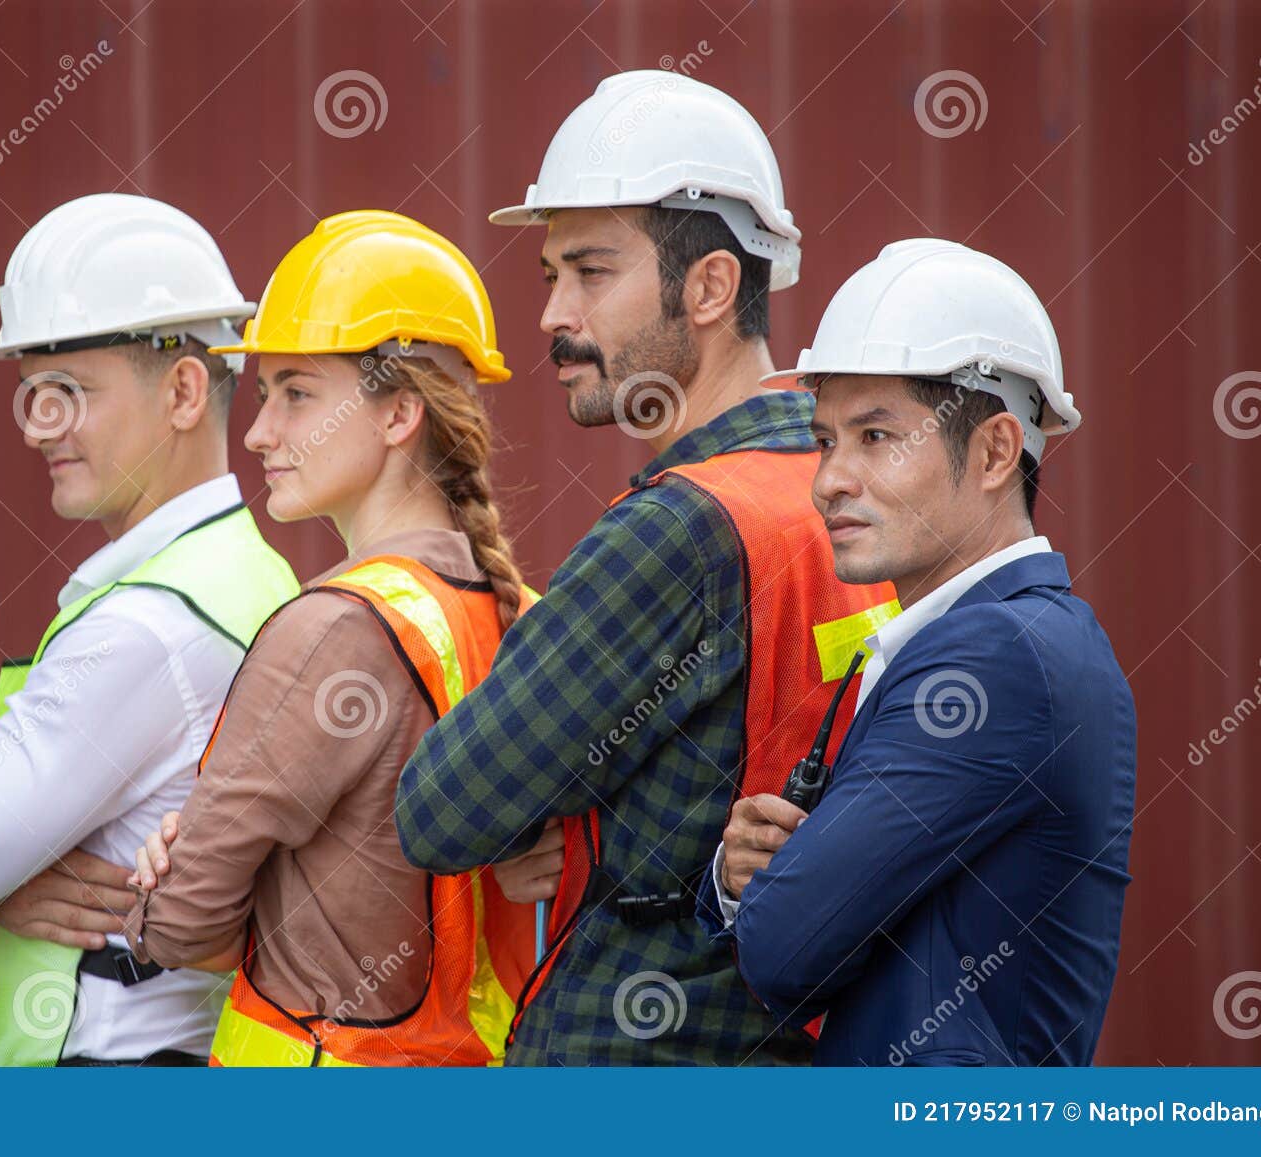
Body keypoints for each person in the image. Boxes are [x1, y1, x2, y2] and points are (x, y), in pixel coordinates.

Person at [393, 71, 899, 1065]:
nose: (550, 315)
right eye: (550, 276)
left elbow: (441, 809)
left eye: (590, 272)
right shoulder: (841, 489)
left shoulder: (678, 529)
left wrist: (533, 814)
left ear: (709, 285)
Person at [0, 193, 299, 1066]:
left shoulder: (148, 627)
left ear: (184, 389)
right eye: (33, 391)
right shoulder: (243, 578)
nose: (40, 428)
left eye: (69, 391)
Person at [123, 210, 536, 1067]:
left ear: (398, 417)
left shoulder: (333, 628)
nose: (259, 431)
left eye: (298, 394)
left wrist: (176, 871)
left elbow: (174, 926)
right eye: (265, 393)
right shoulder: (514, 611)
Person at [709, 239, 1136, 1066]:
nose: (829, 478)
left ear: (994, 451)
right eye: (826, 439)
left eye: (876, 436)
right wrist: (742, 876)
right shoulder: (1005, 639)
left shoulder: (996, 654)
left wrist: (767, 897)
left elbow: (787, 950)